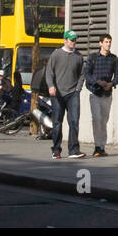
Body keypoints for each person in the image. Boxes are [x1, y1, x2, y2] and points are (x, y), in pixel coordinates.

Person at [46, 30, 85, 159]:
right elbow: (49, 72)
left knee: (74, 121)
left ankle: (73, 150)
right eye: (71, 39)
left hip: (73, 93)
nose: (74, 42)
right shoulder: (56, 55)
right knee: (57, 122)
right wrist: (51, 86)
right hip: (57, 93)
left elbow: (82, 74)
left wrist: (78, 89)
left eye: (75, 40)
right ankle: (56, 150)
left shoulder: (78, 56)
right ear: (65, 40)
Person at [84, 34, 118, 157]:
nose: (108, 44)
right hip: (95, 93)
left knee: (104, 121)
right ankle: (97, 147)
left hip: (107, 94)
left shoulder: (114, 59)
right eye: (106, 42)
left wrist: (111, 83)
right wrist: (98, 81)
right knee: (97, 119)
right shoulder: (93, 57)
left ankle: (102, 147)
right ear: (100, 43)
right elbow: (87, 75)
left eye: (110, 42)